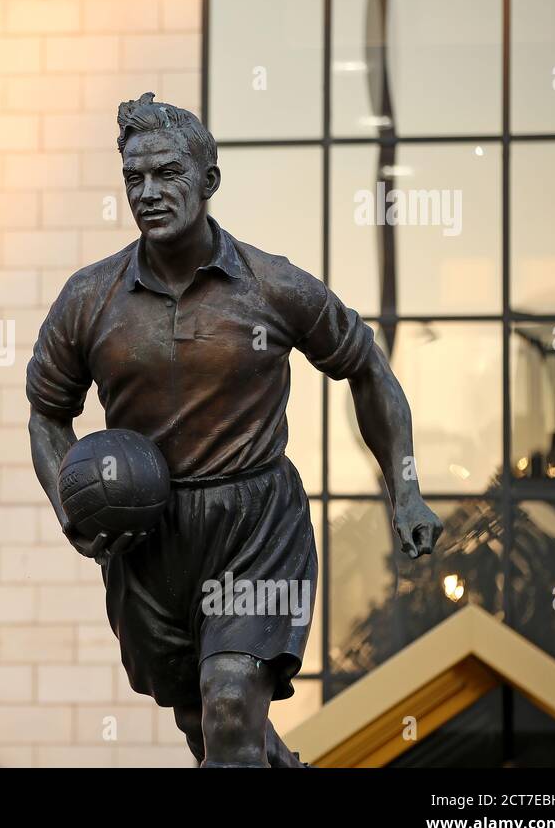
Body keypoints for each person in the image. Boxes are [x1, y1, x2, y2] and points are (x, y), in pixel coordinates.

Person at [26, 93, 443, 767]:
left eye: (167, 174)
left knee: (227, 706)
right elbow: (48, 415)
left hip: (255, 525)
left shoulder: (271, 287)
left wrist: (407, 490)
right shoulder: (88, 298)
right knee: (211, 731)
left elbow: (368, 367)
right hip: (149, 535)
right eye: (135, 178)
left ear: (209, 181)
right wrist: (71, 509)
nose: (149, 192)